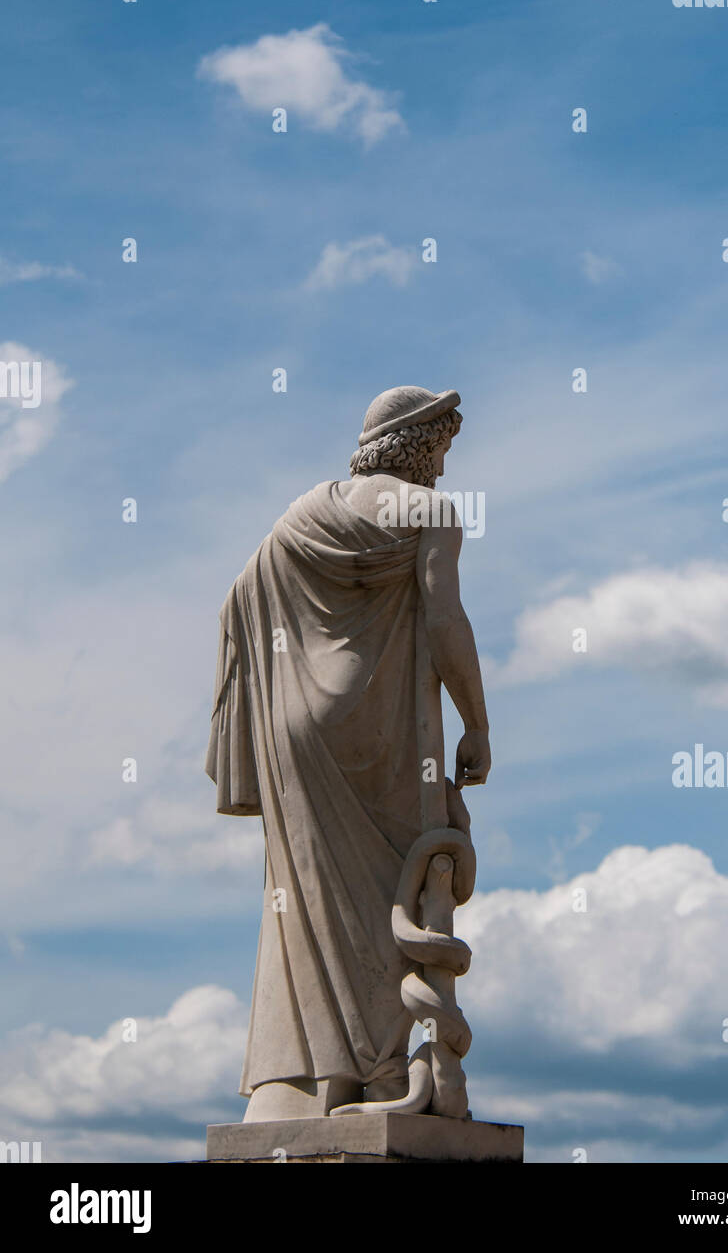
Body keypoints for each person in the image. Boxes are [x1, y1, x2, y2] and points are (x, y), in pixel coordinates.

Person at [206, 386, 491, 1120]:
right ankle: (384, 1073)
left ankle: (306, 1085)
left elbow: (237, 599)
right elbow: (445, 619)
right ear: (415, 442)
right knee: (396, 882)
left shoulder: (305, 510)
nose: (445, 462)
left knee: (305, 898)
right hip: (381, 727)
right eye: (442, 444)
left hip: (298, 730)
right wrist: (476, 722)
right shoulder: (429, 511)